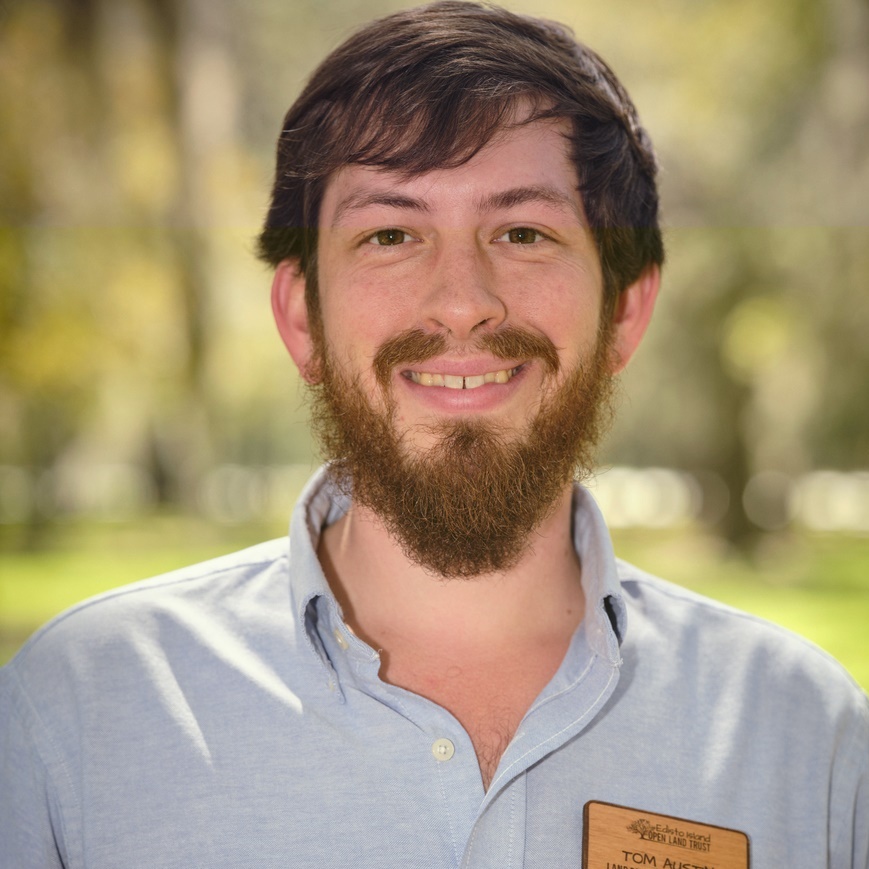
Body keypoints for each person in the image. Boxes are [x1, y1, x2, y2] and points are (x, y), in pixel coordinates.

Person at [1, 2, 867, 866]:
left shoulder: (804, 739)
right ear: (302, 317)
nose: (461, 300)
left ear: (624, 313)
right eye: (390, 233)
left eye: (523, 232)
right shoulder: (76, 712)